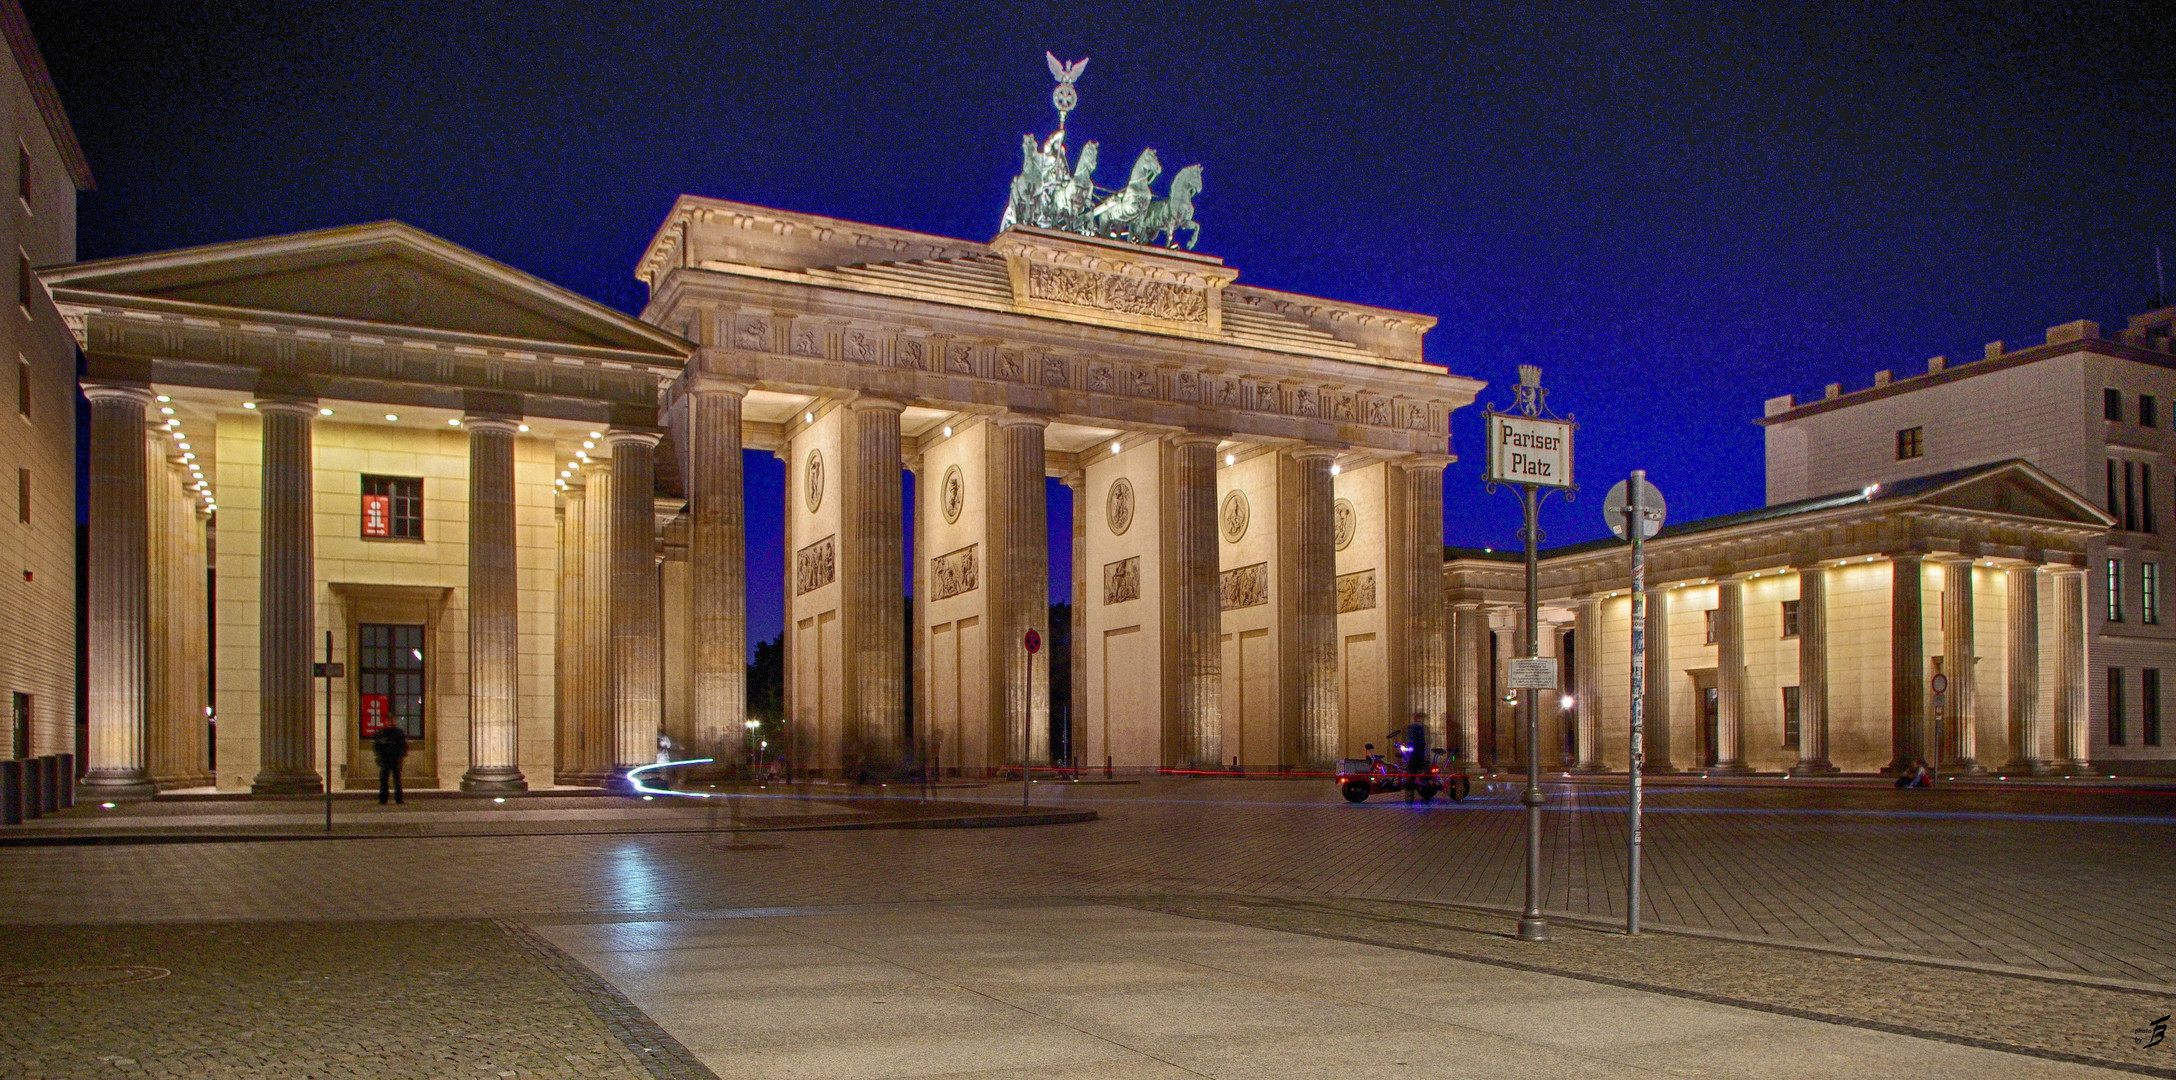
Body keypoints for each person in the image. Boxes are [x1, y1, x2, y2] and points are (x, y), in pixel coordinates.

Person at [372, 723, 409, 805]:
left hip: (394, 759)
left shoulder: (397, 733)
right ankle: (384, 798)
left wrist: (401, 756)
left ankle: (397, 798)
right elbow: (377, 745)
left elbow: (403, 745)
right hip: (386, 759)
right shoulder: (383, 733)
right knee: (385, 779)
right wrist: (379, 756)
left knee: (396, 780)